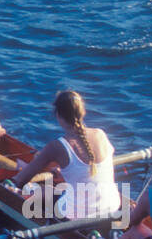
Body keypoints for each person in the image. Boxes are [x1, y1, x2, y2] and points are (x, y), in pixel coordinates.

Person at [11, 90, 121, 221]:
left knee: (42, 191)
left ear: (58, 115)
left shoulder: (56, 147)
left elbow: (20, 180)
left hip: (77, 217)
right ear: (83, 112)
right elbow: (88, 171)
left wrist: (12, 185)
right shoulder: (100, 134)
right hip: (113, 206)